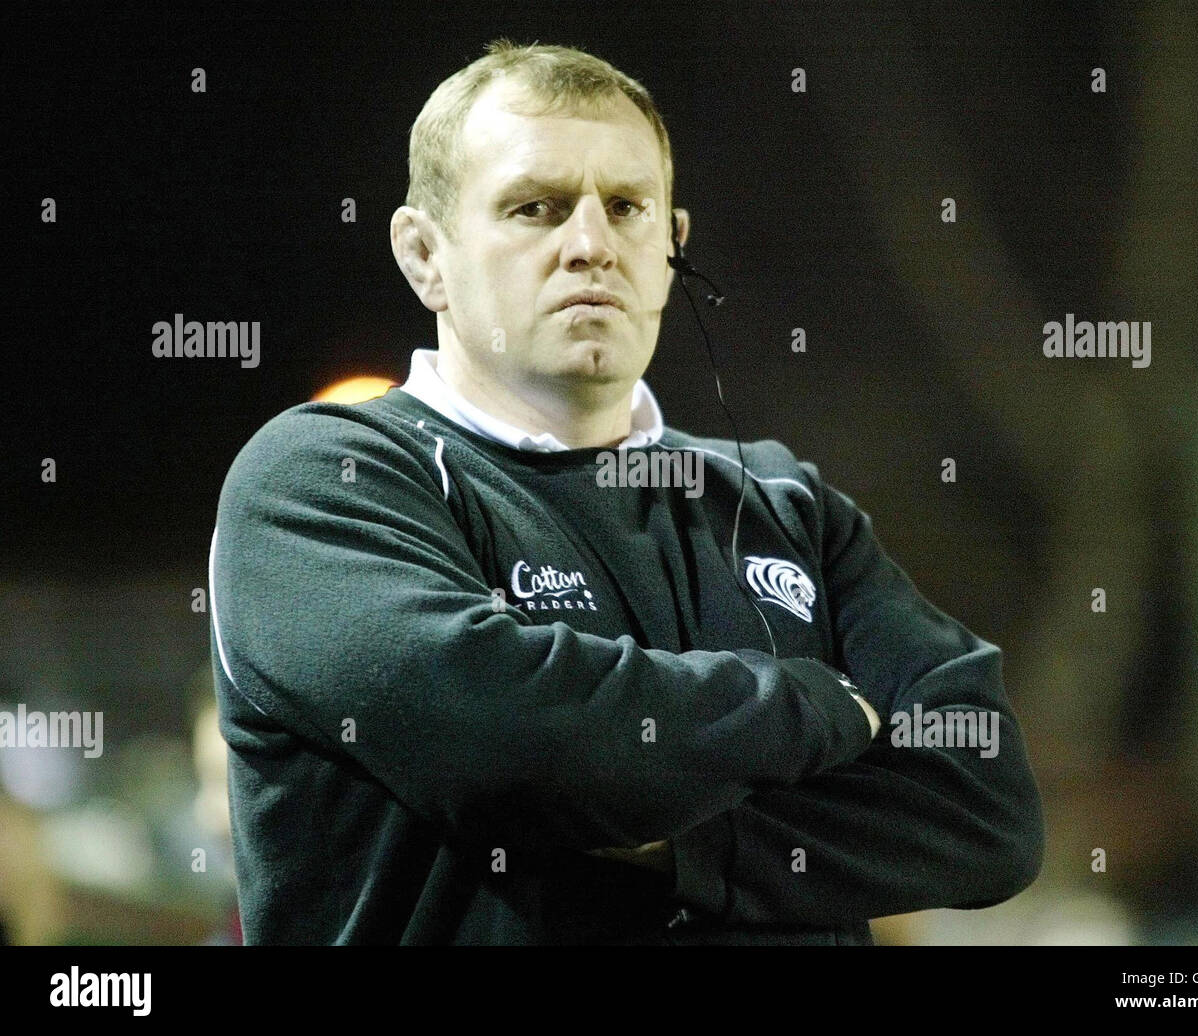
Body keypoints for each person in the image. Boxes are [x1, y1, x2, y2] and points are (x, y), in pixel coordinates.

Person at [208, 38, 1044, 945]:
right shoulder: (325, 480)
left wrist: (682, 844)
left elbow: (987, 807)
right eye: (536, 208)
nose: (591, 246)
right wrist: (821, 704)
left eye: (626, 207)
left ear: (673, 243)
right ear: (424, 256)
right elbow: (509, 744)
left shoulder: (781, 502)